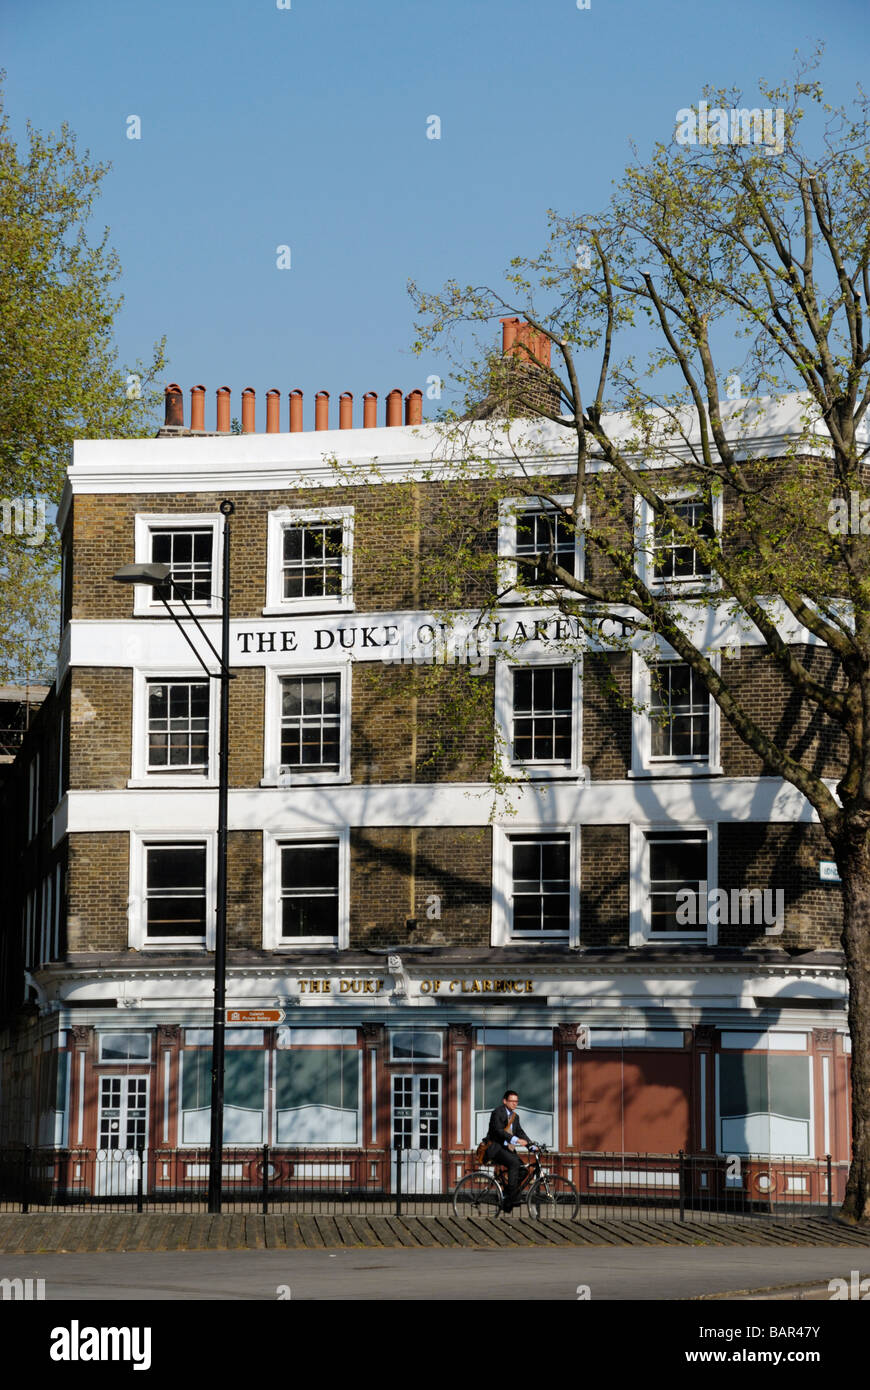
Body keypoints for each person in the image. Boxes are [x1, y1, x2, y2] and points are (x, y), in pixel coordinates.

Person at [485, 1089, 536, 1213]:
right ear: (505, 1101)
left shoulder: (515, 1117)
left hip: (506, 1149)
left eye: (516, 1101)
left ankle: (507, 1194)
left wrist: (531, 1146)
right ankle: (512, 1197)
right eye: (512, 1101)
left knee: (523, 1170)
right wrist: (516, 1140)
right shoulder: (497, 1112)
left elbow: (520, 1132)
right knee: (514, 1163)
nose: (514, 1104)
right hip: (495, 1148)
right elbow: (499, 1131)